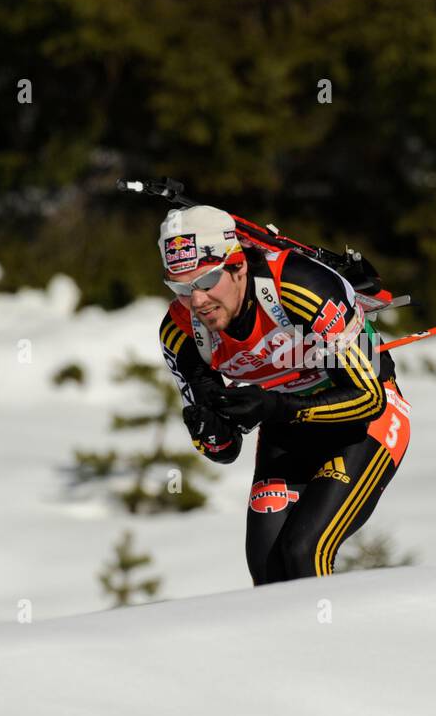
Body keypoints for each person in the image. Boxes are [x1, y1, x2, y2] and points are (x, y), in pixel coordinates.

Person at [157, 205, 412, 585]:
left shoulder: (299, 287)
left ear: (238, 266)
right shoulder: (181, 332)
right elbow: (224, 451)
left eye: (207, 281)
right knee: (268, 572)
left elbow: (368, 398)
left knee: (304, 550)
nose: (197, 302)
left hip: (363, 420)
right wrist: (210, 428)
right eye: (180, 288)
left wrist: (275, 405)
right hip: (286, 427)